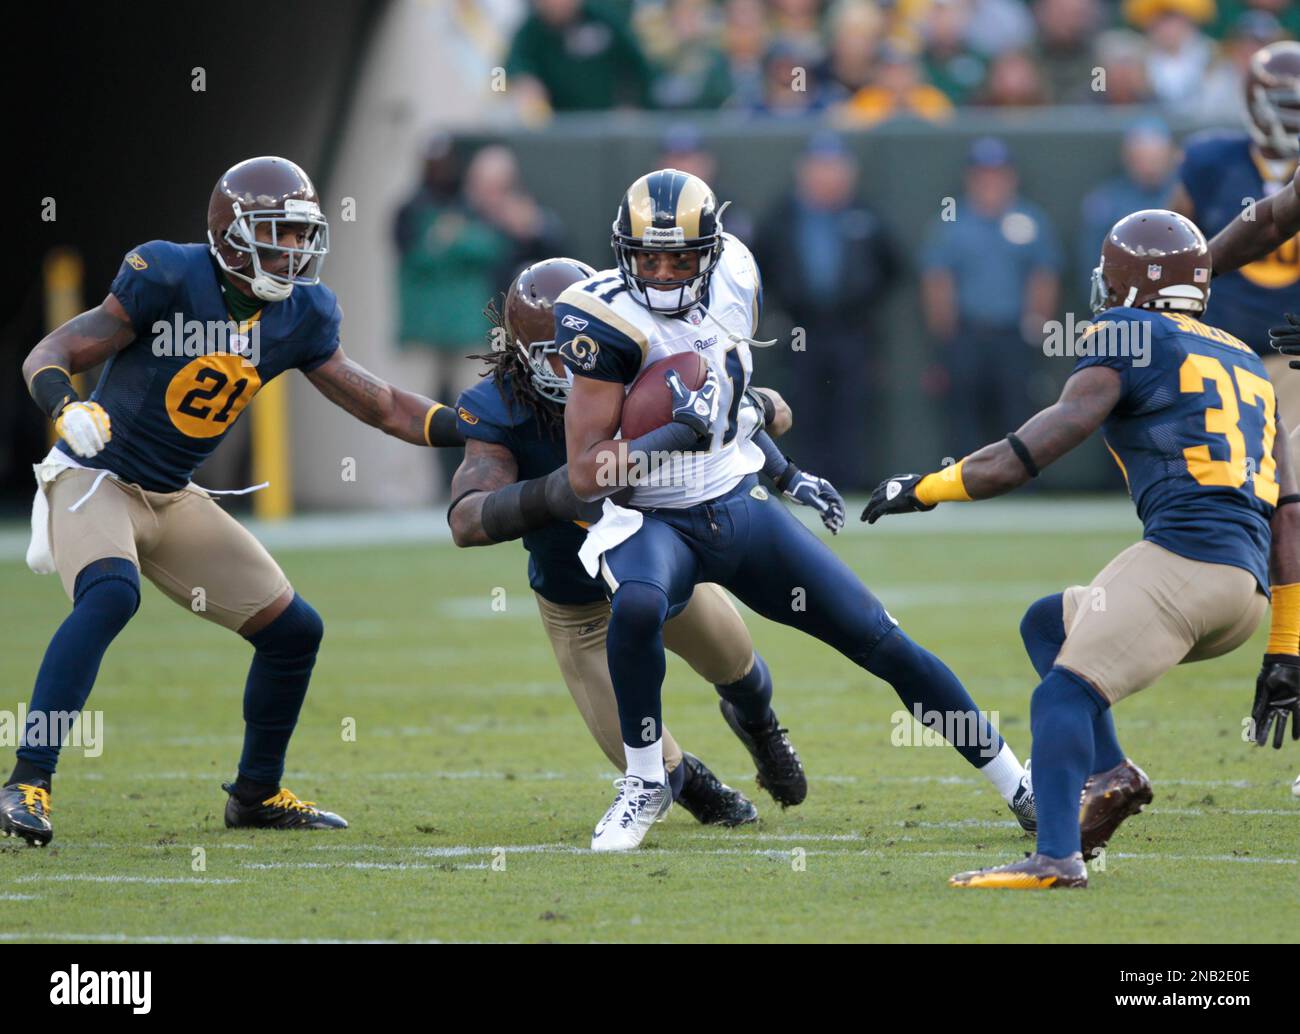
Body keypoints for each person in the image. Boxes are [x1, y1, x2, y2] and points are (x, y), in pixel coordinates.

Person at [556, 168, 1036, 851]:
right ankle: (643, 780)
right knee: (636, 606)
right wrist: (670, 433)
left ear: (711, 255)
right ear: (623, 253)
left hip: (733, 499)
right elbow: (586, 472)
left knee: (881, 639)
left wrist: (785, 473)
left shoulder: (736, 280)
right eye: (649, 258)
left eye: (679, 258)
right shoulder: (601, 319)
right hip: (652, 518)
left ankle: (1016, 783)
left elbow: (730, 398)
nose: (662, 274)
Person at [2, 157, 463, 846]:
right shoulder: (167, 275)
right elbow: (52, 349)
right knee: (110, 595)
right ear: (230, 233)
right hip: (95, 477)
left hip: (171, 493)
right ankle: (25, 782)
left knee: (294, 632)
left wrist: (480, 430)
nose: (294, 250)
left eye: (303, 234)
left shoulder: (301, 314)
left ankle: (256, 794)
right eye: (277, 232)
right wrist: (64, 407)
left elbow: (386, 406)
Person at [865, 210, 1300, 888]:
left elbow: (1023, 457)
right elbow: (1290, 519)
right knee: (1049, 622)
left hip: (1186, 563)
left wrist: (926, 487)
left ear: (1127, 285)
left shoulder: (1129, 331)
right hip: (1242, 595)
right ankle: (1113, 773)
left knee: (1061, 695)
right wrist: (1285, 646)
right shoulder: (1247, 359)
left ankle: (1057, 859)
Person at [448, 258, 808, 824]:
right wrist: (562, 490)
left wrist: (757, 411)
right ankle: (699, 786)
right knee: (652, 771)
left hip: (660, 567)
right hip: (581, 605)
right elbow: (466, 521)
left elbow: (761, 407)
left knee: (739, 665)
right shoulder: (503, 407)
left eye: (583, 346)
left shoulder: (644, 358)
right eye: (557, 353)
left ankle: (759, 727)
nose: (575, 366)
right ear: (522, 353)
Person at [1172, 41, 1300, 431]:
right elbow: (1175, 242)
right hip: (1223, 347)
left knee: (1291, 465)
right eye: (1287, 104)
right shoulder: (1212, 161)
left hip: (1293, 355)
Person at [921, 137, 1063, 455]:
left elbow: (1044, 276)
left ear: (1011, 177)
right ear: (970, 177)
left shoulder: (1030, 219)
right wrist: (947, 336)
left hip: (1014, 334)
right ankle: (961, 488)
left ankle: (1022, 494)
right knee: (963, 414)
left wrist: (1036, 329)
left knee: (1019, 417)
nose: (990, 181)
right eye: (982, 173)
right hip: (967, 332)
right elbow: (937, 280)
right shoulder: (952, 221)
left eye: (997, 173)